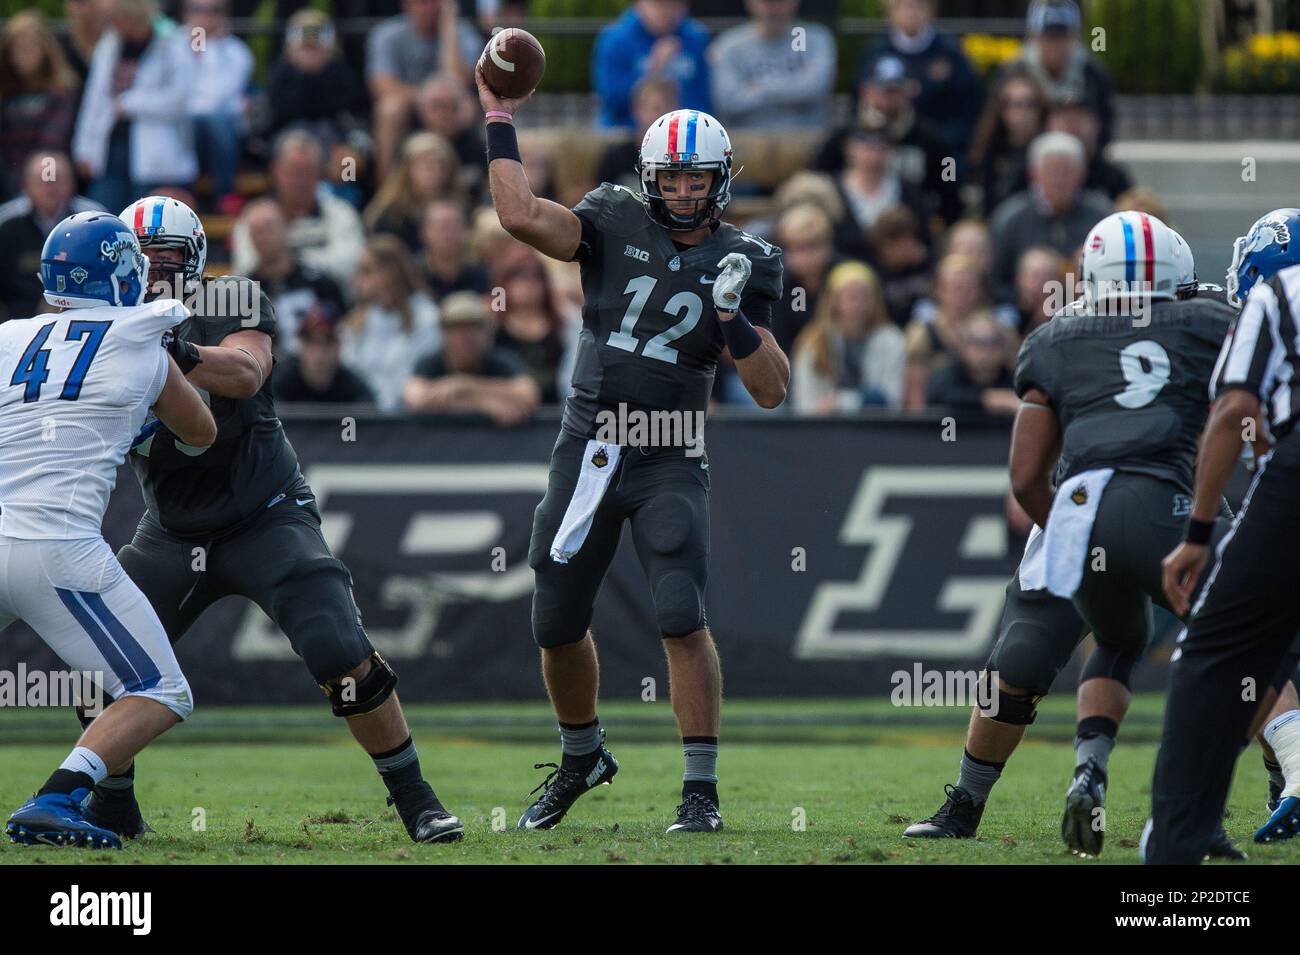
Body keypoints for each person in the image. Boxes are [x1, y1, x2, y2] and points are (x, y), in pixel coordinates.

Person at [73, 195, 464, 845]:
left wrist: (176, 349)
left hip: (264, 514)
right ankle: (114, 803)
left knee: (338, 649)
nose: (149, 273)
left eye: (163, 259)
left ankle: (415, 796)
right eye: (134, 261)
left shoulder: (230, 300)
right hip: (170, 530)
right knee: (95, 655)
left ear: (193, 260)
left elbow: (248, 370)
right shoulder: (100, 331)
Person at [479, 56, 789, 832]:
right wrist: (498, 115)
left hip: (670, 453)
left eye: (698, 178)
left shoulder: (747, 258)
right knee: (553, 621)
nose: (685, 190)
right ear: (650, 178)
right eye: (673, 178)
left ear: (721, 179)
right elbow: (520, 216)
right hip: (589, 441)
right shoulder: (613, 216)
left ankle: (700, 788)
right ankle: (583, 753)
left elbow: (772, 386)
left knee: (681, 616)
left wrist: (734, 320)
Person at [904, 214, 1243, 861]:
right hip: (1171, 503)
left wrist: (1066, 527)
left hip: (1077, 508)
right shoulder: (1207, 320)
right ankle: (1235, 796)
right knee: (1241, 642)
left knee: (1023, 656)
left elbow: (1025, 475)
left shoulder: (1054, 337)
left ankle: (966, 803)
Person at [2, 210, 215, 849]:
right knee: (159, 689)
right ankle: (58, 796)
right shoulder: (141, 338)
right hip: (58, 549)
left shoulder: (10, 337)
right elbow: (200, 432)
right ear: (126, 272)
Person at [1147, 209, 1300, 862]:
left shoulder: (1276, 296)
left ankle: (1179, 844)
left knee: (1212, 653)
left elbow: (1236, 409)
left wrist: (1199, 532)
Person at [71, 0, 199, 217]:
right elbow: (94, 99)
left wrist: (131, 103)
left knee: (148, 223)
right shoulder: (110, 44)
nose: (115, 23)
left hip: (158, 156)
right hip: (112, 149)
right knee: (102, 216)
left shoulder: (173, 42)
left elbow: (181, 99)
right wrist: (83, 148)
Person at [814, 54, 961, 229]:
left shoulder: (932, 141)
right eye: (883, 89)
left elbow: (950, 188)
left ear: (910, 91)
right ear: (865, 90)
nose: (889, 98)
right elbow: (818, 180)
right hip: (850, 228)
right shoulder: (842, 137)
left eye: (896, 90)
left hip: (910, 229)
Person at [230, 130, 365, 287]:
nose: (300, 181)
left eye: (307, 172)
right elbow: (246, 267)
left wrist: (290, 262)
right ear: (276, 171)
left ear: (319, 174)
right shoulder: (255, 216)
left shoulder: (341, 213)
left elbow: (350, 267)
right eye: (293, 172)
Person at [987, 131, 1112, 298]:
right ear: (1033, 174)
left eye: (1066, 170)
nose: (1058, 179)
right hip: (1024, 316)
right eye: (1051, 170)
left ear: (1082, 174)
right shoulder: (1010, 218)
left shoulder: (1102, 217)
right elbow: (994, 280)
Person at [367, 0, 483, 179]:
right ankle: (387, 188)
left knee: (466, 108)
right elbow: (382, 87)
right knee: (389, 109)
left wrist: (449, 26)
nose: (429, 8)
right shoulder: (386, 33)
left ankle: (457, 181)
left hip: (450, 103)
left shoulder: (463, 32)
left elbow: (457, 81)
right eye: (422, 2)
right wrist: (430, 98)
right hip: (410, 107)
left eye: (435, 2)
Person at [858, 0, 983, 153]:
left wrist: (950, 139)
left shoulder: (950, 52)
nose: (910, 13)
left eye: (917, 6)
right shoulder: (876, 52)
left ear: (931, 11)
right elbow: (860, 99)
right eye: (903, 6)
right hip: (884, 146)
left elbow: (970, 100)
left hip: (942, 145)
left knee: (948, 174)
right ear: (890, 13)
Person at [404, 291, 540, 425]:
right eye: (458, 329)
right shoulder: (430, 362)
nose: (466, 337)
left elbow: (529, 394)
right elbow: (415, 399)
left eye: (474, 328)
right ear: (444, 334)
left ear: (487, 332)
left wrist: (462, 385)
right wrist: (487, 404)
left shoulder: (500, 359)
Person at [340, 234, 441, 410]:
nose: (358, 280)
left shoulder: (427, 318)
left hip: (407, 424)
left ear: (389, 272)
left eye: (366, 271)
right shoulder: (353, 323)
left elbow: (418, 377)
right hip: (361, 420)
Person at [0, 152, 103, 321]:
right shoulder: (6, 223)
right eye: (42, 180)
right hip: (18, 321)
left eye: (58, 180)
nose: (50, 188)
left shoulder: (95, 221)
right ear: (26, 185)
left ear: (73, 184)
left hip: (81, 319)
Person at [790, 260, 904, 413]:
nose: (857, 304)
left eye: (863, 296)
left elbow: (892, 398)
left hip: (876, 426)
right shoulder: (814, 341)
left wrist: (842, 401)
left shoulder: (891, 339)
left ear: (875, 300)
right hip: (823, 427)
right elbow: (804, 403)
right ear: (833, 300)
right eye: (850, 296)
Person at [240, 197, 347, 353]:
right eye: (257, 231)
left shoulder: (320, 282)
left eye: (269, 228)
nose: (263, 237)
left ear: (287, 228)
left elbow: (342, 329)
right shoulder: (243, 290)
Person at [708, 0, 835, 131]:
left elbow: (815, 88)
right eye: (766, 2)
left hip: (808, 139)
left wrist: (756, 87)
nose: (773, 9)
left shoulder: (812, 38)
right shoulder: (729, 45)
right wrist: (793, 85)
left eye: (780, 2)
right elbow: (727, 101)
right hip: (745, 142)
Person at [1004, 0, 1114, 148]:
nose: (1054, 46)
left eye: (1061, 37)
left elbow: (1105, 129)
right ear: (1033, 36)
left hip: (1078, 159)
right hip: (1023, 157)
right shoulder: (1014, 72)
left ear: (1076, 36)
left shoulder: (1094, 75)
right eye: (1048, 37)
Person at [593, 0, 712, 129]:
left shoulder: (695, 37)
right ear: (638, 4)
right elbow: (613, 101)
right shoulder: (615, 39)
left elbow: (704, 101)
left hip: (685, 131)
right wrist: (653, 68)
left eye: (675, 3)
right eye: (658, 4)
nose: (666, 11)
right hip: (626, 132)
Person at [0, 12, 81, 197]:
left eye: (29, 48)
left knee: (48, 165)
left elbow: (53, 141)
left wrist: (29, 179)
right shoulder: (5, 91)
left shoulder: (63, 88)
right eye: (18, 49)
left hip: (45, 169)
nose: (24, 55)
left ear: (45, 50)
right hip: (8, 171)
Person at [265, 10, 369, 151]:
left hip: (334, 134)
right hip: (287, 133)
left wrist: (320, 72)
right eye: (305, 47)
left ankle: (344, 174)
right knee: (296, 150)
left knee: (348, 160)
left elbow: (349, 110)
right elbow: (278, 112)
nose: (310, 53)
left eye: (314, 47)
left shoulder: (340, 72)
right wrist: (301, 73)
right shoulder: (281, 72)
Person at [183, 0, 252, 210]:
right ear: (186, 13)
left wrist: (212, 49)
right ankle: (187, 195)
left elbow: (220, 95)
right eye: (198, 10)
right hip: (184, 127)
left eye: (214, 11)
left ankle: (224, 194)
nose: (206, 17)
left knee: (215, 121)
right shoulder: (171, 45)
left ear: (225, 15)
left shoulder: (237, 52)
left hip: (223, 129)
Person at [492, 252, 578, 404]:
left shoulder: (565, 324)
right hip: (504, 414)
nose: (529, 283)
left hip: (557, 414)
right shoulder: (492, 327)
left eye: (536, 276)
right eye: (518, 275)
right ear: (504, 283)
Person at [363, 132, 466, 251]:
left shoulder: (461, 207)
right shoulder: (390, 217)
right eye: (427, 166)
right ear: (407, 170)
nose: (436, 173)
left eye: (442, 166)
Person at [969, 66, 1050, 216]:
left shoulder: (1051, 151)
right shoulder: (988, 151)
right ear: (1001, 109)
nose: (1022, 112)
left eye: (1030, 104)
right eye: (1014, 104)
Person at [272, 304, 375, 404]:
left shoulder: (355, 389)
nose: (319, 352)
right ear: (301, 346)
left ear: (339, 346)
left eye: (328, 342)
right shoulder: (279, 384)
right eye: (312, 342)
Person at [595, 76, 678, 193]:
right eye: (656, 108)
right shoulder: (616, 158)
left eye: (668, 109)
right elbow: (600, 200)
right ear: (637, 111)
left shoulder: (683, 158)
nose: (663, 116)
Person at [1046, 101, 1131, 201]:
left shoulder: (1114, 179)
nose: (1071, 125)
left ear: (1097, 124)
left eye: (1079, 116)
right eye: (1063, 117)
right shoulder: (1027, 173)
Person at [420, 199, 490, 304]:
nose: (447, 234)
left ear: (466, 231)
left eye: (454, 226)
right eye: (441, 227)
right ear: (425, 232)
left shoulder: (486, 275)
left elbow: (501, 306)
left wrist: (495, 308)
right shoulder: (413, 276)